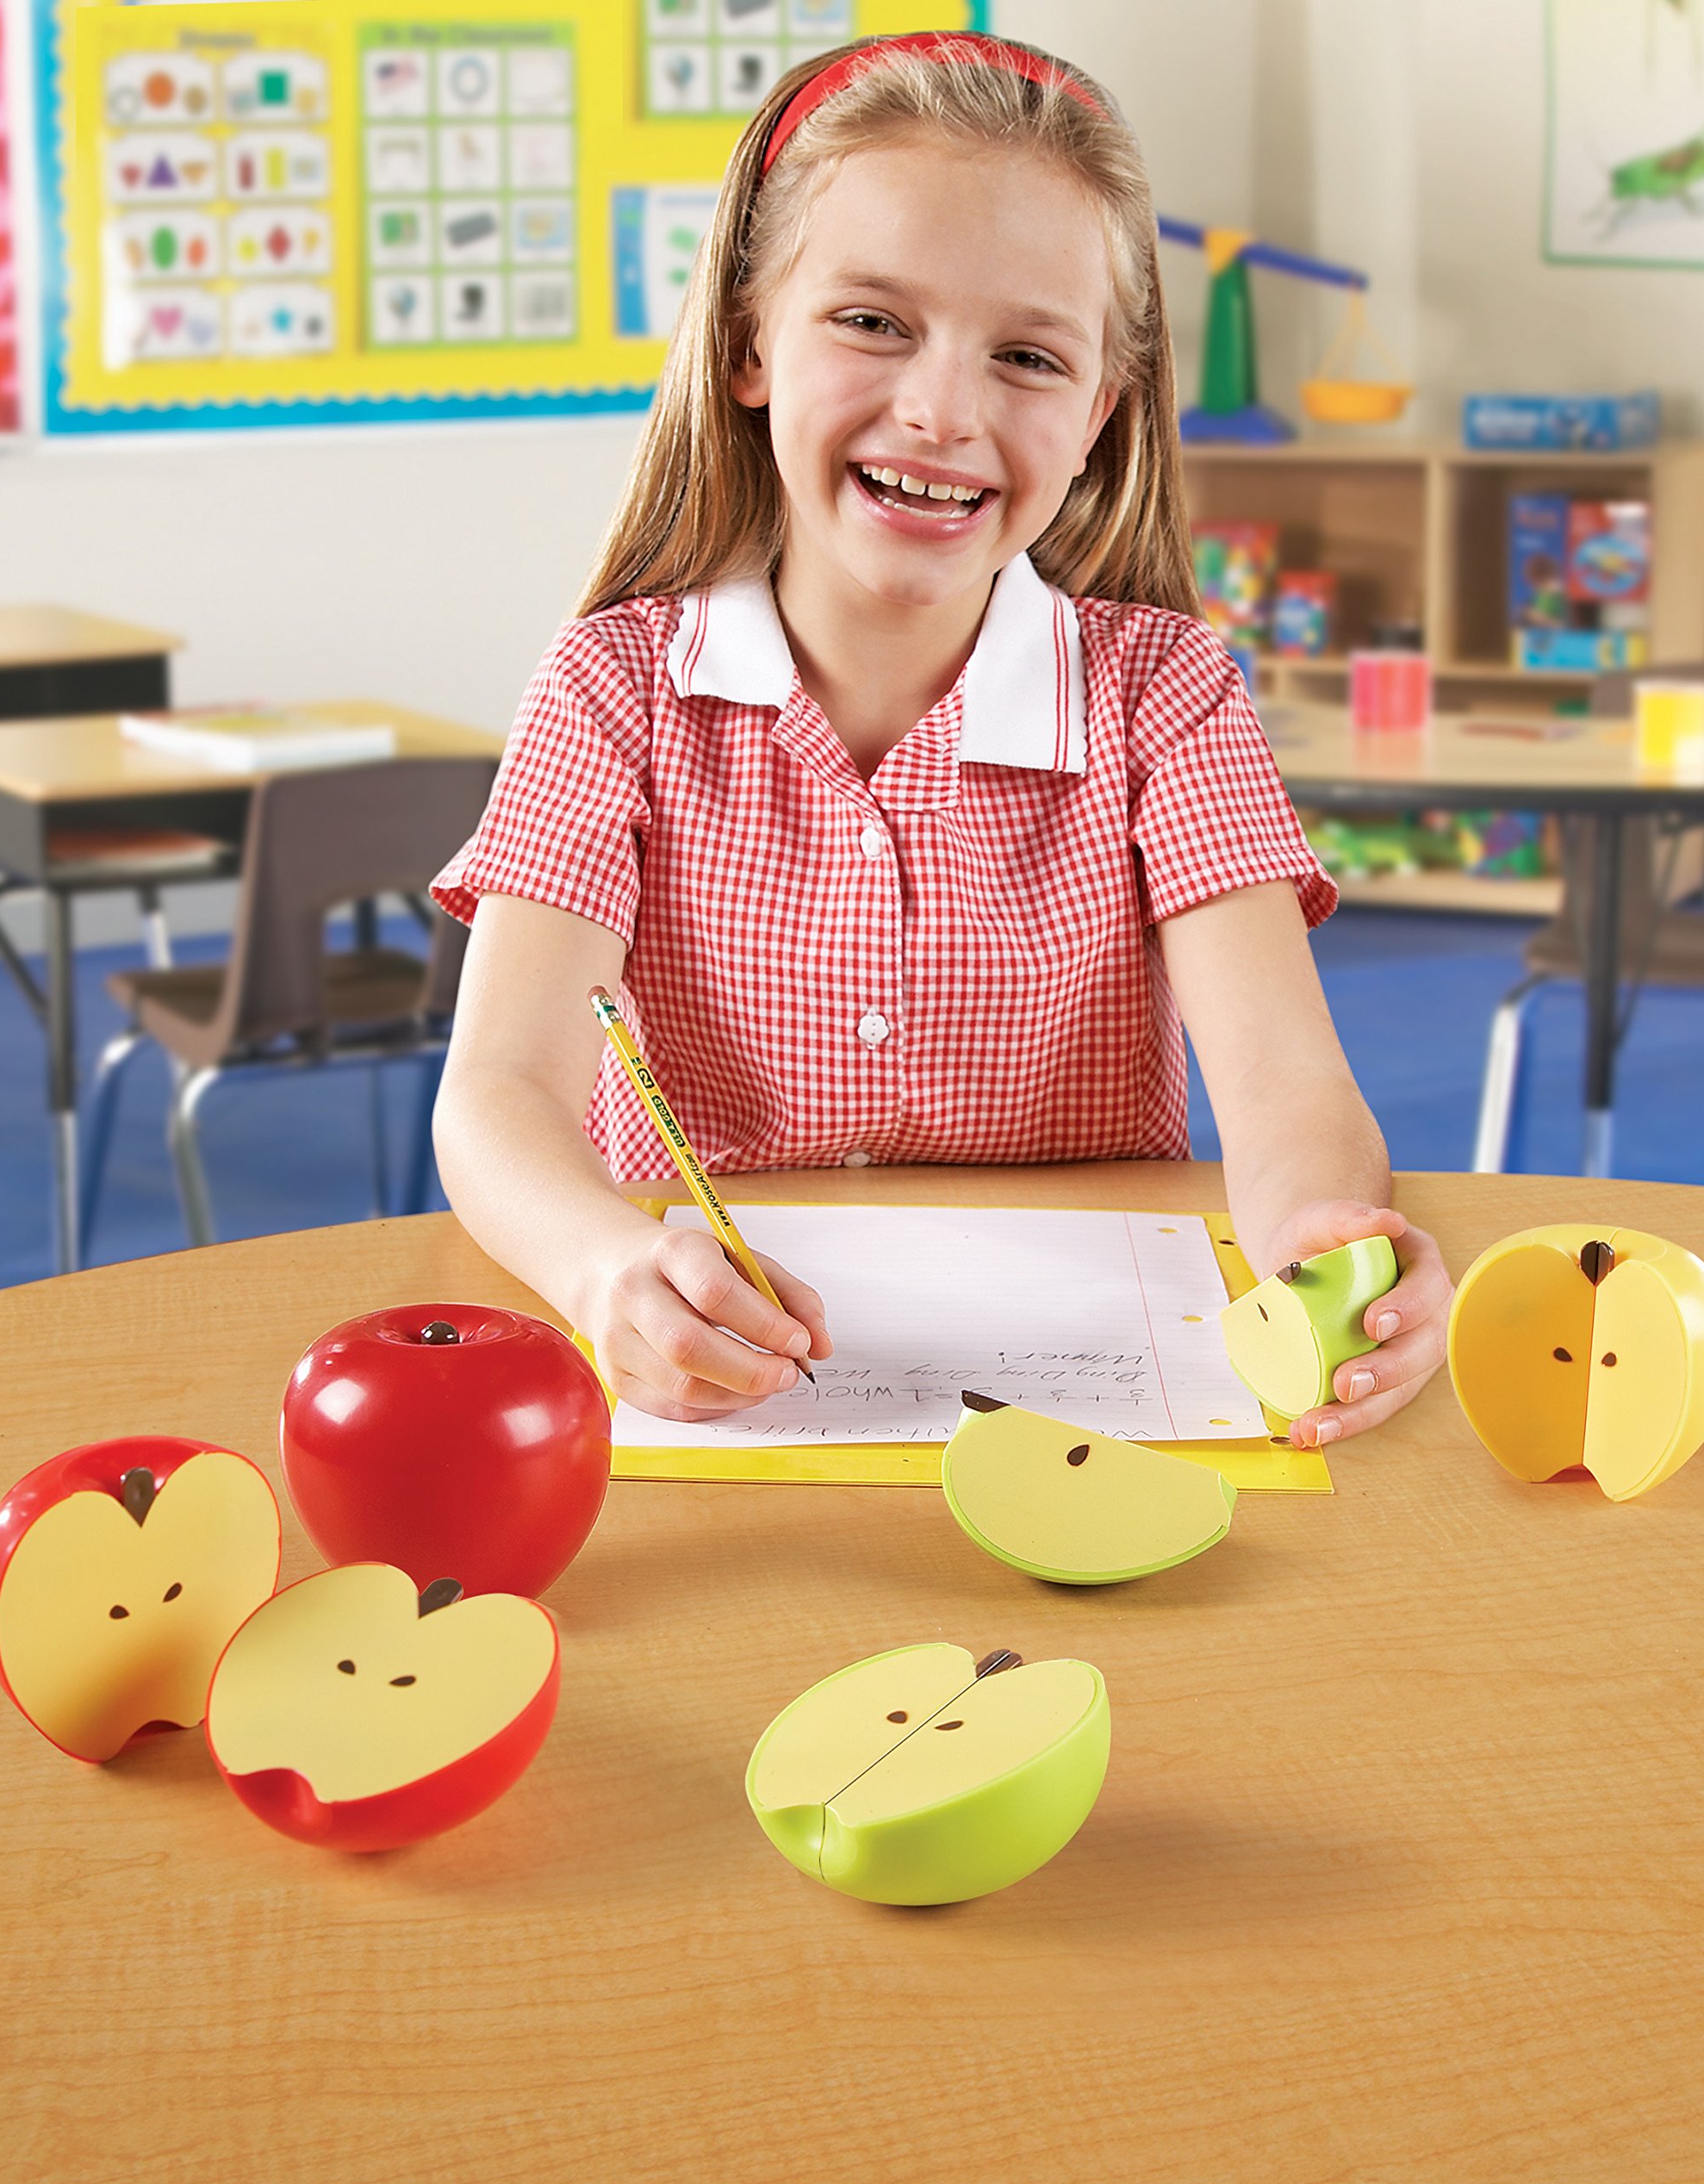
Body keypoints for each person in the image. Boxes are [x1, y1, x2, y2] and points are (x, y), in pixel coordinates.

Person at [432, 31, 1451, 1440]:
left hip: (1089, 1397)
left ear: (1096, 416)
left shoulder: (1169, 694)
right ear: (746, 345)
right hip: (729, 1385)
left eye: (1027, 356)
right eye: (871, 322)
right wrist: (602, 1262)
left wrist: (1328, 1242)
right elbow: (497, 1094)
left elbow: (1287, 1091)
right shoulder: (616, 687)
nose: (942, 411)